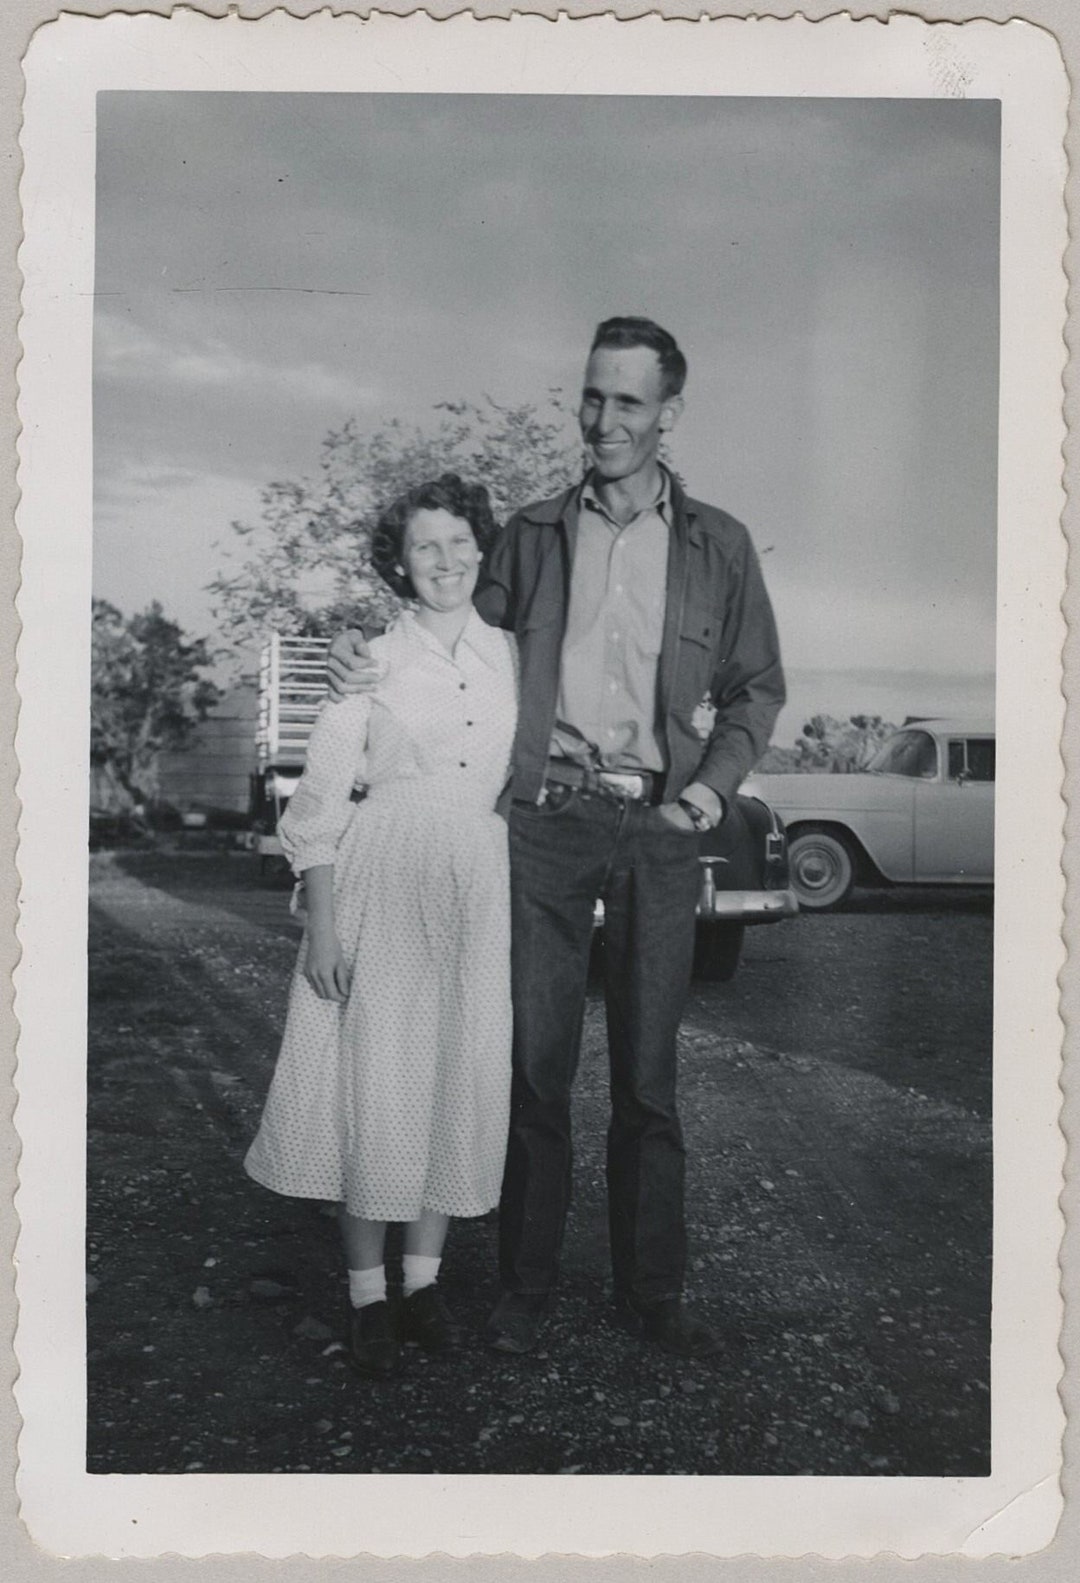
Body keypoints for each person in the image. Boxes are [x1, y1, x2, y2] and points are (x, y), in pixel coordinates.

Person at [328, 317, 784, 1359]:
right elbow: (451, 649)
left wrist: (708, 794)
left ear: (669, 413)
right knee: (533, 1067)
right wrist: (371, 673)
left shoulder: (720, 544)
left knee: (647, 1076)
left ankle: (650, 1291)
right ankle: (524, 1285)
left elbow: (755, 685)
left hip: (660, 827)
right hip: (539, 825)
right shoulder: (529, 535)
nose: (605, 419)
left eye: (628, 401)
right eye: (592, 396)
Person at [245, 475, 517, 1377]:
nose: (445, 560)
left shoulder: (512, 655)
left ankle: (426, 1284)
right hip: (384, 877)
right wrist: (321, 931)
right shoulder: (369, 661)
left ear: (482, 544)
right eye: (425, 546)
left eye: (458, 541)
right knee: (374, 1086)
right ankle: (367, 1299)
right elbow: (320, 803)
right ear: (400, 562)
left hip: (476, 882)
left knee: (451, 1075)